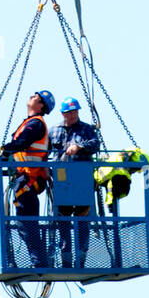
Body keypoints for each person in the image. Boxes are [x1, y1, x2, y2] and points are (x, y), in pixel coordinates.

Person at [0, 89, 55, 269]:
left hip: (29, 180)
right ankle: (40, 262)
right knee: (25, 225)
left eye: (36, 97)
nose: (32, 96)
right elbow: (19, 149)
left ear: (41, 105)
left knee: (26, 225)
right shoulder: (30, 123)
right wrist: (2, 155)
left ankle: (40, 263)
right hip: (25, 179)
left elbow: (22, 143)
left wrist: (2, 150)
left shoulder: (35, 124)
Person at [49, 97, 100, 268]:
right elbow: (44, 150)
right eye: (70, 112)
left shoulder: (86, 129)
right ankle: (66, 259)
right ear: (63, 113)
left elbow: (95, 144)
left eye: (75, 112)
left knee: (82, 219)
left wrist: (79, 147)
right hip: (62, 181)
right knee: (62, 219)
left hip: (81, 181)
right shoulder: (54, 130)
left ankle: (81, 258)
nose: (73, 115)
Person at [94, 148, 149, 213]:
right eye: (136, 169)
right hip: (98, 177)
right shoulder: (121, 172)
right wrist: (110, 203)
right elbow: (112, 188)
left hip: (99, 178)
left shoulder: (122, 167)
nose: (134, 171)